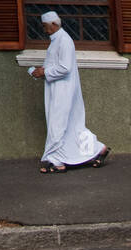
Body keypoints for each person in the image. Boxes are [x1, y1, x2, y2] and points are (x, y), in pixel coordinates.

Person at [28, 11, 111, 173]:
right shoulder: (57, 41)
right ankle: (100, 149)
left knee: (57, 124)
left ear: (53, 24)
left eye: (45, 26)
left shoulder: (64, 41)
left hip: (63, 90)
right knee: (71, 125)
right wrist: (40, 72)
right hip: (58, 89)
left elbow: (65, 68)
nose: (44, 30)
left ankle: (57, 161)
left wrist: (44, 72)